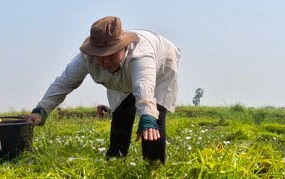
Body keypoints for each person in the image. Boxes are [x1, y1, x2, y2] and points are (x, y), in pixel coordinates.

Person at [28, 16, 180, 163]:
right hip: (122, 76)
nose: (105, 60)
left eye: (111, 54)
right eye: (100, 55)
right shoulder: (87, 58)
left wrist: (147, 115)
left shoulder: (141, 55)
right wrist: (42, 110)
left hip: (161, 66)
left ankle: (153, 164)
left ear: (124, 47)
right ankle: (115, 161)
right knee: (121, 113)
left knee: (153, 120)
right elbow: (64, 82)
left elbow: (143, 85)